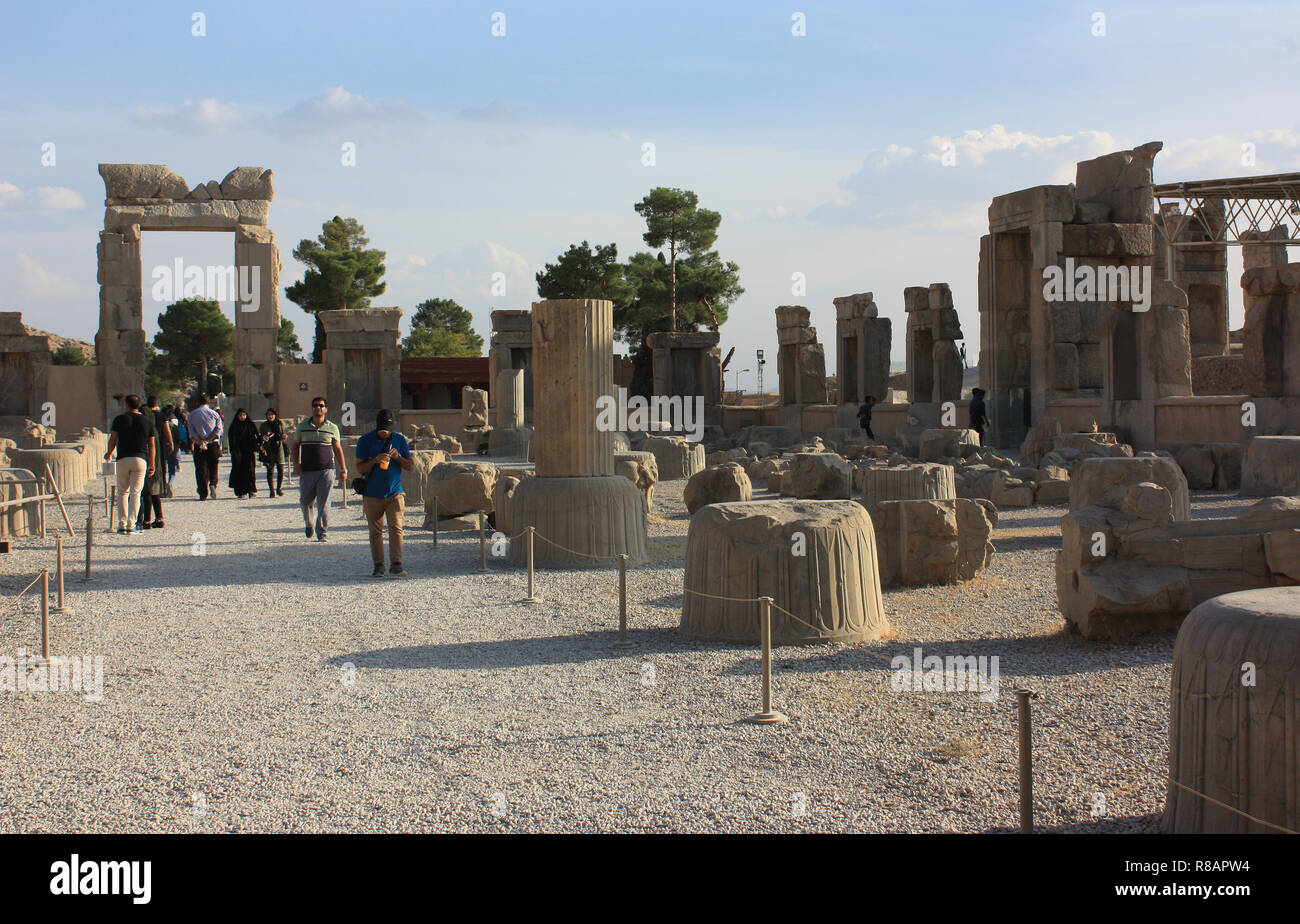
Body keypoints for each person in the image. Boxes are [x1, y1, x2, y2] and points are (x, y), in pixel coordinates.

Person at [356, 409, 414, 577]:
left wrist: (398, 458)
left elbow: (410, 466)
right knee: (376, 531)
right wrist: (374, 460)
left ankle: (396, 563)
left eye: (387, 428)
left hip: (395, 492)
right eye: (382, 428)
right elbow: (359, 467)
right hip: (372, 494)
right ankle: (379, 564)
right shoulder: (365, 441)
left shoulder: (400, 440)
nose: (384, 432)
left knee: (396, 527)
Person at [292, 397, 347, 541]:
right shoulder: (302, 426)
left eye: (321, 406)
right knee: (305, 501)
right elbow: (295, 445)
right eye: (316, 405)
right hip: (307, 470)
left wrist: (343, 469)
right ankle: (309, 523)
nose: (318, 408)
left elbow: (338, 448)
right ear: (312, 408)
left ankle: (322, 532)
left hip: (326, 470)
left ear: (326, 409)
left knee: (324, 503)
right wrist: (296, 464)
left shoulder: (332, 428)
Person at [104, 394, 155, 534]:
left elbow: (113, 439)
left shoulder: (119, 419)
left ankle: (121, 523)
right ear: (139, 405)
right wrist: (152, 463)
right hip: (140, 459)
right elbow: (151, 445)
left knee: (122, 492)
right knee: (136, 493)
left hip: (123, 459)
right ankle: (132, 524)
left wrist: (109, 453)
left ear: (126, 405)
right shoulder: (147, 421)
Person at [137, 395, 173, 529]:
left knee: (146, 491)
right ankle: (159, 518)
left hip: (145, 455)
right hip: (159, 454)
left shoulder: (143, 421)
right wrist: (170, 443)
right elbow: (167, 430)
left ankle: (146, 520)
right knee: (155, 491)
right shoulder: (161, 416)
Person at [187, 394, 224, 500]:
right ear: (208, 402)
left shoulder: (192, 415)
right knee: (213, 466)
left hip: (199, 445)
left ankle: (203, 492)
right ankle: (213, 483)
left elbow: (192, 432)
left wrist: (200, 441)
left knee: (200, 468)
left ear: (198, 403)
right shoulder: (214, 414)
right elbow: (218, 431)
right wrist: (208, 440)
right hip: (213, 444)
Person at [227, 409, 261, 499]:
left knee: (250, 470)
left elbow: (257, 436)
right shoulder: (234, 426)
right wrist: (234, 451)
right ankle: (241, 491)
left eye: (244, 415)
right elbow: (232, 440)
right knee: (239, 470)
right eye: (240, 415)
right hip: (238, 451)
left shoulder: (250, 425)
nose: (242, 417)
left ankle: (251, 490)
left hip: (249, 451)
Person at [259, 408, 288, 498]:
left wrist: (284, 436)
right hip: (269, 449)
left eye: (272, 414)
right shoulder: (264, 425)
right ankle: (271, 490)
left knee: (281, 470)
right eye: (268, 415)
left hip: (279, 448)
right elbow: (262, 438)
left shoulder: (280, 424)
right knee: (270, 471)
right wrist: (266, 437)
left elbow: (284, 434)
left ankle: (279, 488)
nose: (270, 416)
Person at [162, 405, 181, 497]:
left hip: (162, 450)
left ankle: (163, 487)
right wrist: (177, 450)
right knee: (172, 469)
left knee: (163, 469)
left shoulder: (159, 426)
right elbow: (177, 440)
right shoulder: (173, 426)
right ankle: (171, 483)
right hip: (172, 450)